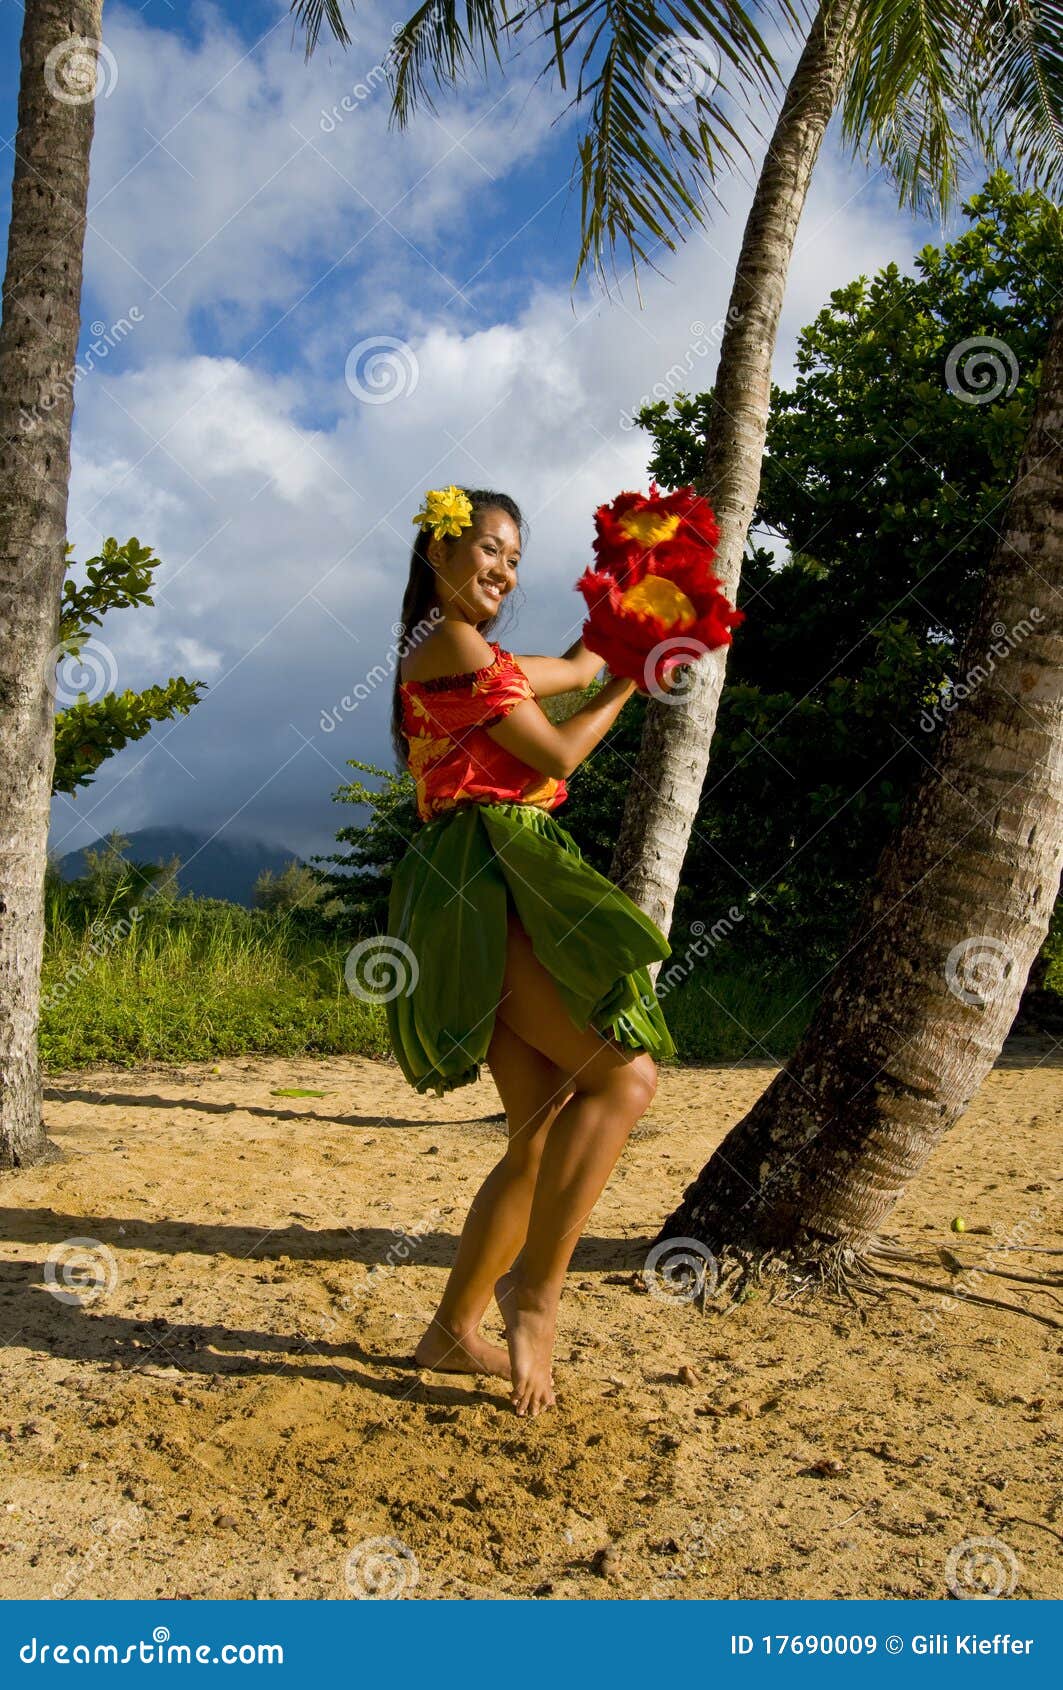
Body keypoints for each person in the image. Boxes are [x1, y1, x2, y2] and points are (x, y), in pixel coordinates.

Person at [384, 484, 677, 1417]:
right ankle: (535, 1301)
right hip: (484, 876)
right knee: (623, 1081)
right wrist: (637, 679)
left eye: (516, 559)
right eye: (490, 552)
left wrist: (634, 594)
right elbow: (555, 756)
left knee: (541, 1122)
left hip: (481, 872)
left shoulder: (481, 653)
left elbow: (576, 664)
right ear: (440, 552)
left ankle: (447, 1330)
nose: (504, 572)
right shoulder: (450, 643)